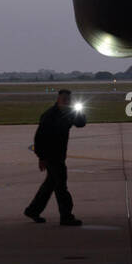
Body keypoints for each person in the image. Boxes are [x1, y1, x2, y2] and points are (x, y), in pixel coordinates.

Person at [24, 89, 87, 226]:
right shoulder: (49, 116)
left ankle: (33, 210)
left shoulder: (69, 113)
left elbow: (81, 124)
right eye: (64, 99)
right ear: (58, 99)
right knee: (61, 186)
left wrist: (78, 111)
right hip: (51, 156)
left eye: (68, 99)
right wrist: (41, 157)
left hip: (59, 154)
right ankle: (66, 216)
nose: (67, 102)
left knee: (50, 185)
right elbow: (39, 138)